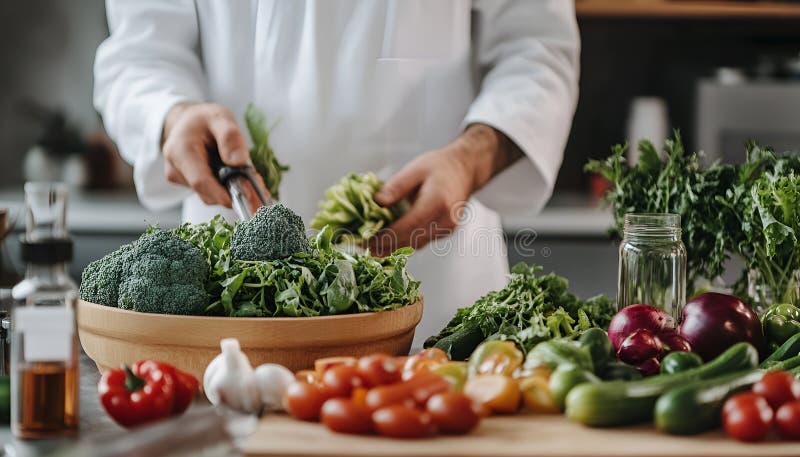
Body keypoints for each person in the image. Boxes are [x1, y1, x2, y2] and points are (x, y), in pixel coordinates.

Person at [93, 0, 580, 346]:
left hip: (435, 284)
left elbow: (537, 49)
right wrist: (171, 115)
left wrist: (470, 158)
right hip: (229, 293)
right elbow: (138, 55)